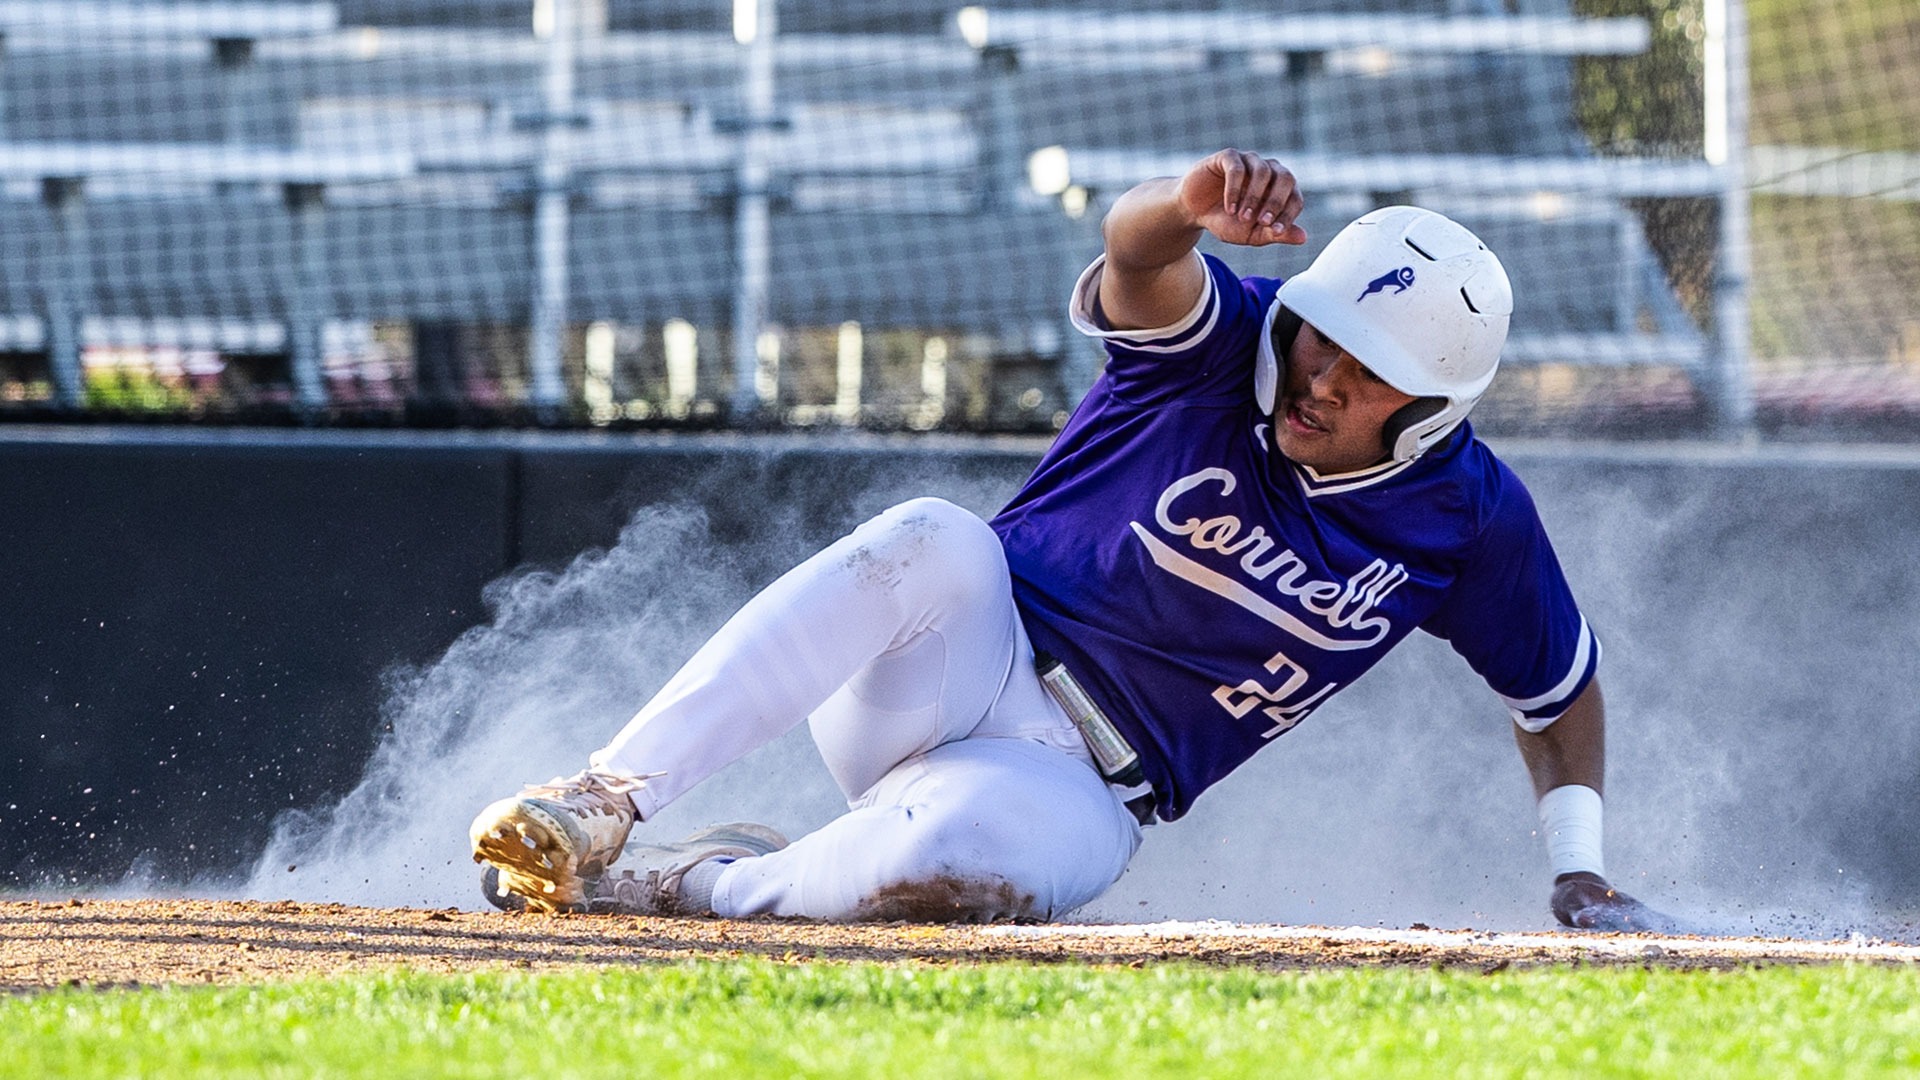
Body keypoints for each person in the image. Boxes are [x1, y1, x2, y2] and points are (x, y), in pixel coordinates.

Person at [469, 149, 1667, 930]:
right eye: (1323, 341)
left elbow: (1556, 691)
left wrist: (1578, 861)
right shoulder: (1225, 344)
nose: (1323, 381)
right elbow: (1140, 255)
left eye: (1370, 376)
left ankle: (688, 883)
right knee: (930, 537)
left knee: (946, 878)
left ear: (1435, 413)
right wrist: (1185, 207)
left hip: (1077, 787)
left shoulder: (1469, 518)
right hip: (960, 661)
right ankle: (602, 799)